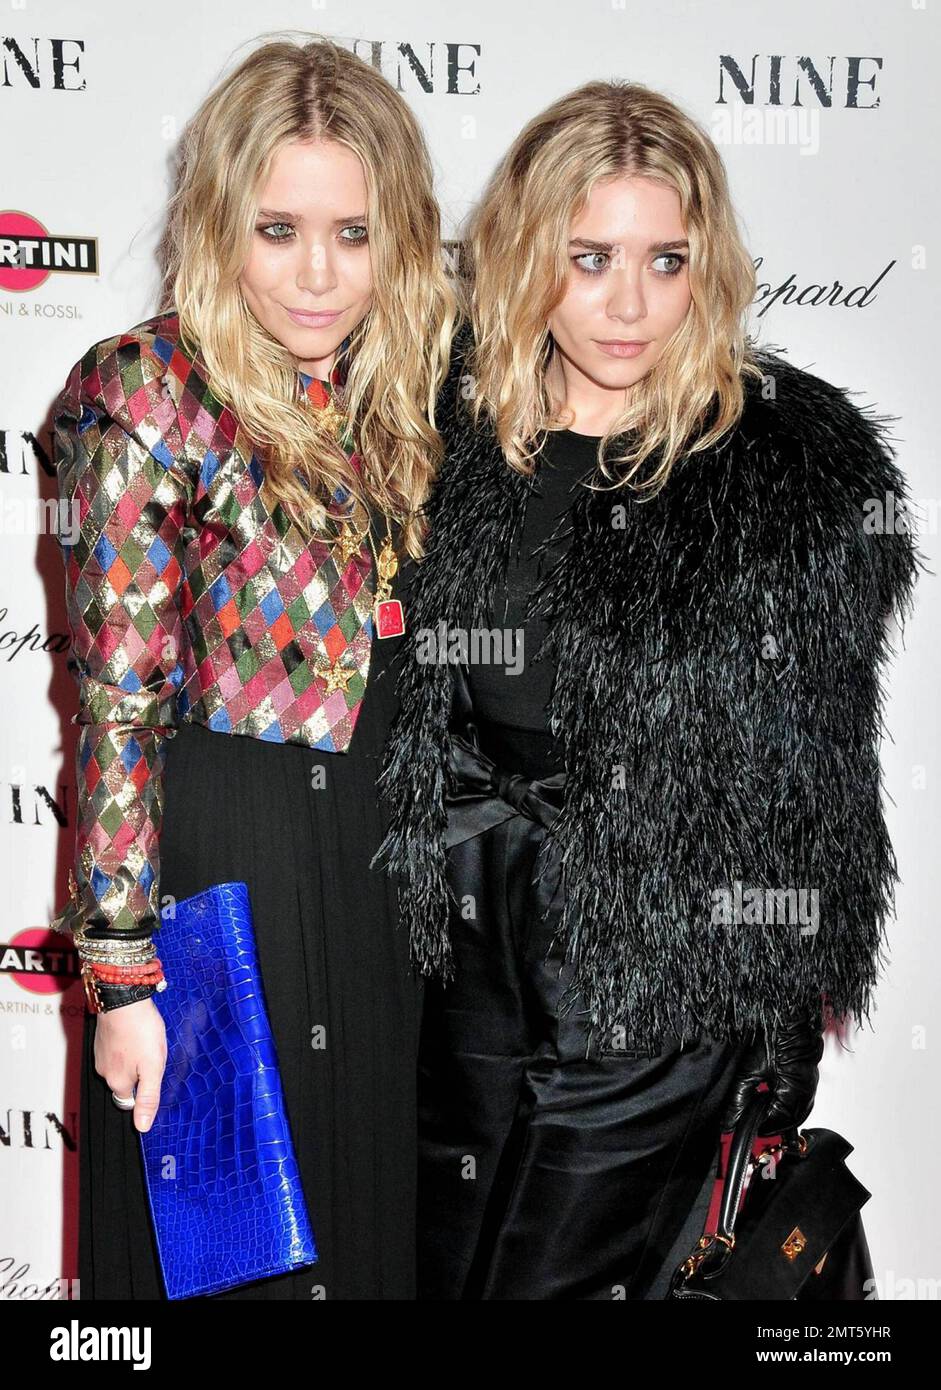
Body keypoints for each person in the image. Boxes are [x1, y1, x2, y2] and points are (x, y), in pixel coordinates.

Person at [370, 80, 923, 1299]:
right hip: (466, 958)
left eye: (664, 259)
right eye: (589, 257)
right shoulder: (439, 432)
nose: (628, 304)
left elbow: (814, 786)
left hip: (659, 977)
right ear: (526, 256)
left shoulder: (782, 472)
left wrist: (775, 1056)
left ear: (706, 265)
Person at [51, 34, 456, 1300]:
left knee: (372, 1235)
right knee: (231, 1258)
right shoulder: (145, 389)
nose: (319, 273)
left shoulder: (419, 395)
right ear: (220, 219)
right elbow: (113, 709)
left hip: (383, 875)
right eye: (278, 229)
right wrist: (123, 977)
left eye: (354, 231)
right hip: (222, 869)